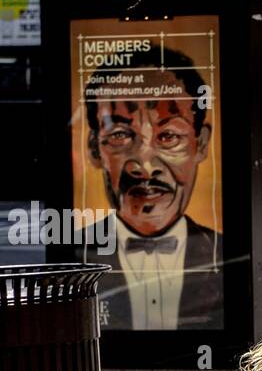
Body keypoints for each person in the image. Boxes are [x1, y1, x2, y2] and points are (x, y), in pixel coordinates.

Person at [79, 43, 222, 331]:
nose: (145, 166)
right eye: (120, 135)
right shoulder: (76, 253)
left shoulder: (224, 254)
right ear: (95, 150)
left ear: (201, 144)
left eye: (168, 136)